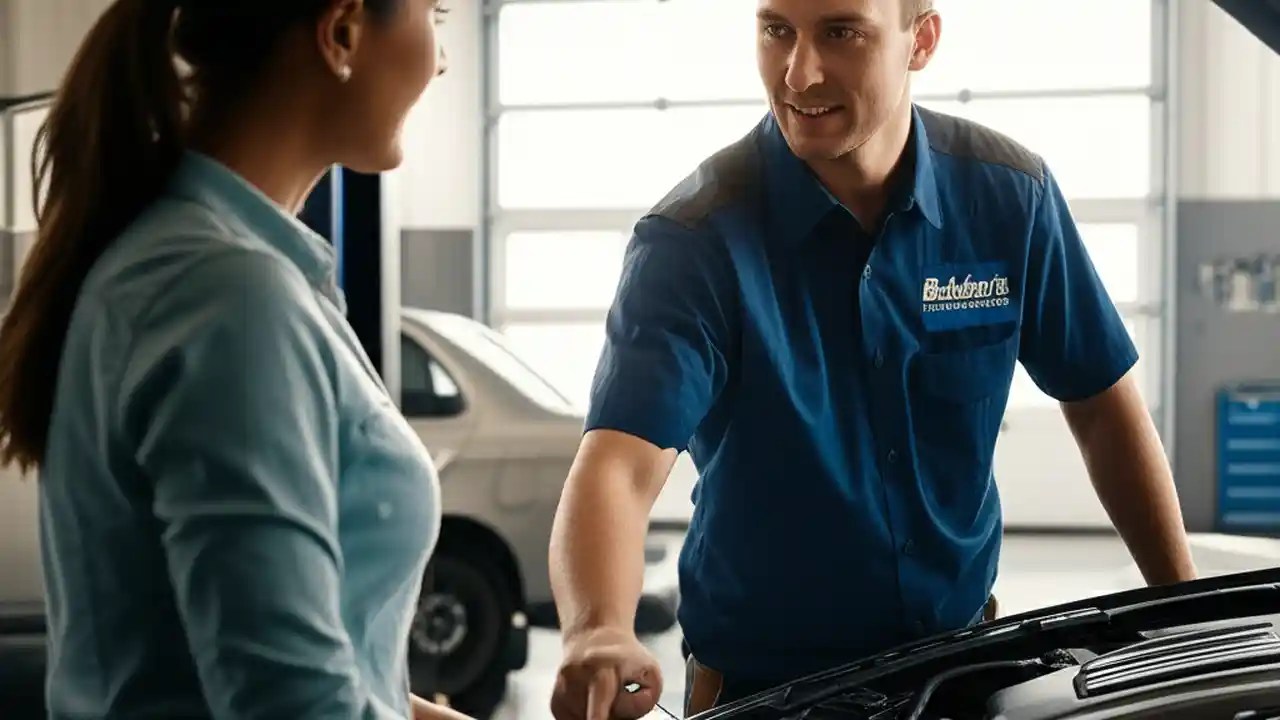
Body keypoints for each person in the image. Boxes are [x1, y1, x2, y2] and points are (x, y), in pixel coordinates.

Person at [547, 0, 1199, 717]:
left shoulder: (1011, 199)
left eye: (840, 32)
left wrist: (1184, 610)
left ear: (920, 40)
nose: (799, 72)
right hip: (766, 693)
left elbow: (1102, 408)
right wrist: (597, 629)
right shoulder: (694, 240)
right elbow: (617, 462)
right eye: (776, 32)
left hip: (966, 670)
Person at [0, 1, 470, 718]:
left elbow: (318, 679)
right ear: (342, 30)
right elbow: (291, 704)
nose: (440, 59)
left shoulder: (214, 267)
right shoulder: (228, 295)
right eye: (434, 13)